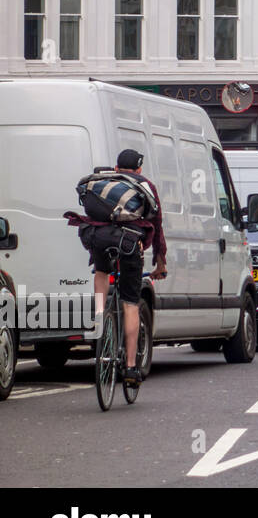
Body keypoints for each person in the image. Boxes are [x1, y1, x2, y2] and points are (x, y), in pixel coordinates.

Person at [94, 149, 168, 388]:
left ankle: (99, 315)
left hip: (100, 238)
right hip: (129, 243)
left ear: (117, 169)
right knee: (130, 303)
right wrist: (161, 261)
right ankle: (130, 366)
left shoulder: (103, 181)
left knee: (101, 271)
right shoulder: (145, 185)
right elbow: (156, 224)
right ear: (138, 170)